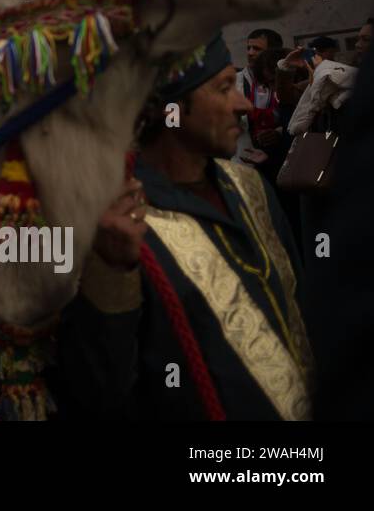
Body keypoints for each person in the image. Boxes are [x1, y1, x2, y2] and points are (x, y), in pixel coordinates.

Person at [51, 34, 312, 420]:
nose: (241, 105)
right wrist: (111, 274)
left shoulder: (250, 186)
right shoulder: (112, 224)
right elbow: (98, 396)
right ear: (170, 110)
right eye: (224, 88)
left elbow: (302, 309)